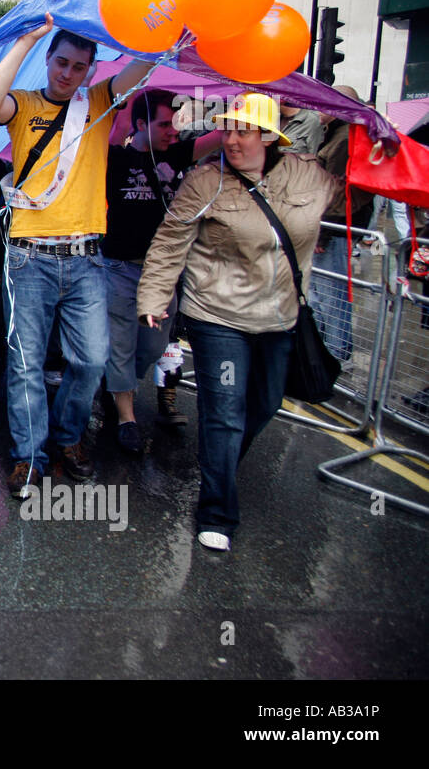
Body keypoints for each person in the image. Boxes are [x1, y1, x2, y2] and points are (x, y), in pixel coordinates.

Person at [137, 94, 345, 552]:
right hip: (217, 316)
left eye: (243, 130)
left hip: (281, 318)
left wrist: (377, 142)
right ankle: (216, 512)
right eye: (227, 129)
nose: (231, 139)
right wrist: (153, 297)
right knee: (224, 412)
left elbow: (357, 192)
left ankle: (220, 464)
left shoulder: (309, 174)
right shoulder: (204, 181)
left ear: (270, 137)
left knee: (265, 403)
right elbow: (170, 241)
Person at [0, 13, 151, 496]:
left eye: (78, 66)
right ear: (48, 61)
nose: (67, 73)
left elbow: (142, 66)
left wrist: (160, 26)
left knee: (92, 360)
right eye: (60, 62)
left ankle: (69, 437)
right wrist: (28, 39)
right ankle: (29, 456)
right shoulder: (27, 103)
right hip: (29, 259)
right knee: (26, 364)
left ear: (91, 71)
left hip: (88, 260)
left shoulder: (98, 104)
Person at [103, 89, 221, 451]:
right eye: (165, 123)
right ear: (140, 124)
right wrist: (135, 82)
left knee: (152, 345)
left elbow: (220, 136)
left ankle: (115, 386)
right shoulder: (114, 158)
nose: (174, 131)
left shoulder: (177, 153)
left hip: (163, 275)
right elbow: (112, 122)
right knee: (119, 344)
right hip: (119, 269)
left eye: (176, 122)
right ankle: (126, 418)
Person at [311, 85, 374, 362]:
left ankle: (338, 354)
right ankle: (327, 350)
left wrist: (322, 234)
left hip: (334, 229)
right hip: (329, 226)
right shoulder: (336, 134)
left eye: (324, 104)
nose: (317, 108)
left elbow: (335, 192)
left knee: (331, 295)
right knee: (319, 294)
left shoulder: (345, 138)